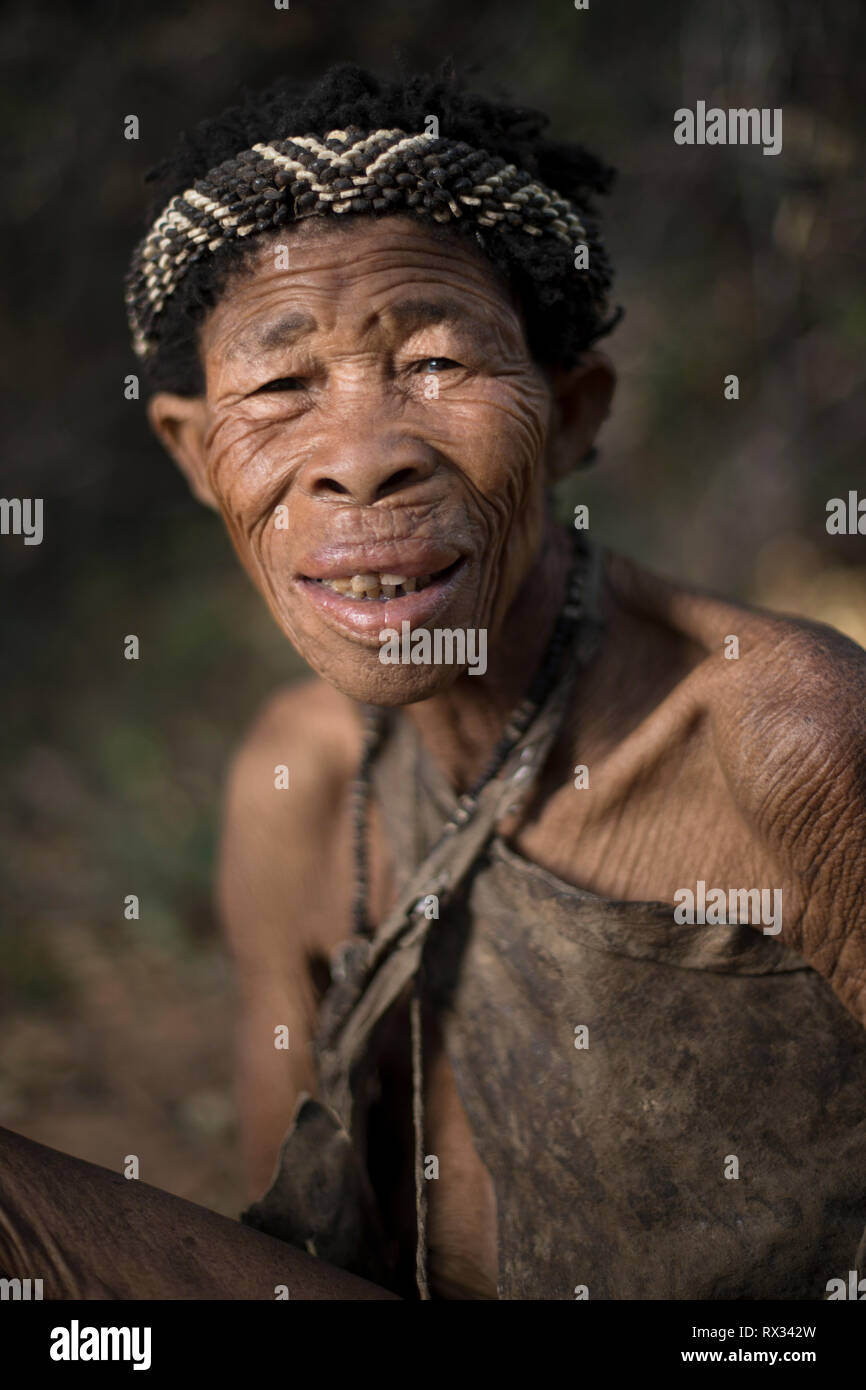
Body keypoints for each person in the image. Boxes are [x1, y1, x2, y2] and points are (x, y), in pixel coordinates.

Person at [2, 62, 864, 1302]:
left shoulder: (786, 743)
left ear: (571, 417)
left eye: (440, 365)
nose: (361, 460)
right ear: (197, 456)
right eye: (282, 386)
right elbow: (286, 1248)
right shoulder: (293, 789)